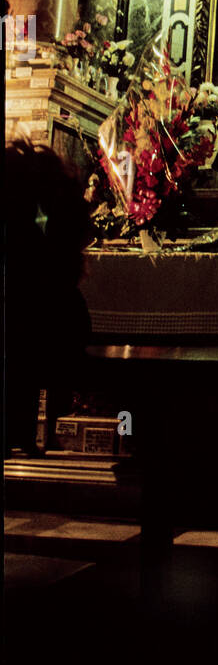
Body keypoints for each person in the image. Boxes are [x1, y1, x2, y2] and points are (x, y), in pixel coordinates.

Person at [4, 139, 93, 456]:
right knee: (39, 362)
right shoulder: (56, 195)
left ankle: (21, 432)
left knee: (21, 366)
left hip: (29, 295)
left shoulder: (25, 194)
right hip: (47, 294)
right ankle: (36, 433)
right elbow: (79, 235)